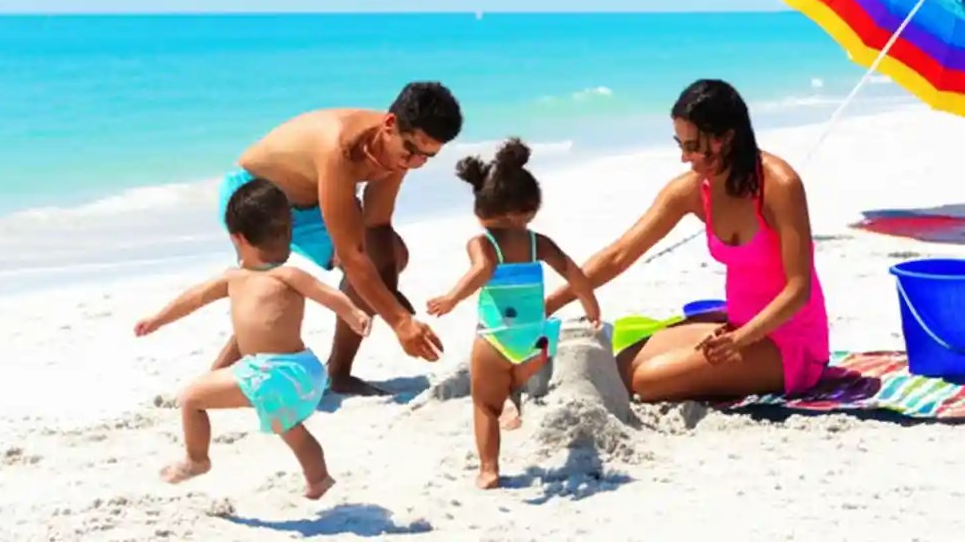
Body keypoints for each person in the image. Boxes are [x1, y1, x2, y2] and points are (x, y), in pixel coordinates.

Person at [544, 79, 830, 402]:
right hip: (737, 324)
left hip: (789, 342)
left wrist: (741, 339)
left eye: (692, 146)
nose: (684, 158)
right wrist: (549, 304)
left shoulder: (780, 185)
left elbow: (798, 289)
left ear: (726, 138)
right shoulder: (694, 190)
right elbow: (620, 254)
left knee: (646, 380)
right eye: (679, 144)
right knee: (623, 367)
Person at [210, 81, 464, 396]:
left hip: (313, 200)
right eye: (411, 151)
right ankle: (215, 378)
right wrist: (399, 321)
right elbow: (353, 254)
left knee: (392, 255)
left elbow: (378, 226)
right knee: (269, 291)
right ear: (389, 125)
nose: (413, 163)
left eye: (427, 156)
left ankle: (339, 374)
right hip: (257, 195)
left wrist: (388, 292)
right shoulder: (340, 148)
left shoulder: (397, 152)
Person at [134, 178, 372, 500]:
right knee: (289, 429)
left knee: (191, 398)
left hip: (272, 372)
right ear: (288, 233)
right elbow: (330, 295)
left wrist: (157, 319)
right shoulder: (287, 274)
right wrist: (353, 314)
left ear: (238, 239)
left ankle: (197, 460)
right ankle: (318, 479)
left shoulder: (247, 277)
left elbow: (194, 298)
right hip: (302, 373)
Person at [425, 137, 602, 489]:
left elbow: (482, 270)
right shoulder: (539, 242)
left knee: (483, 404)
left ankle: (489, 469)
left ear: (481, 212)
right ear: (530, 210)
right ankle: (511, 397)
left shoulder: (482, 243)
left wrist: (452, 298)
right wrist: (591, 308)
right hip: (537, 339)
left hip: (496, 336)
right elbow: (575, 274)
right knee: (512, 378)